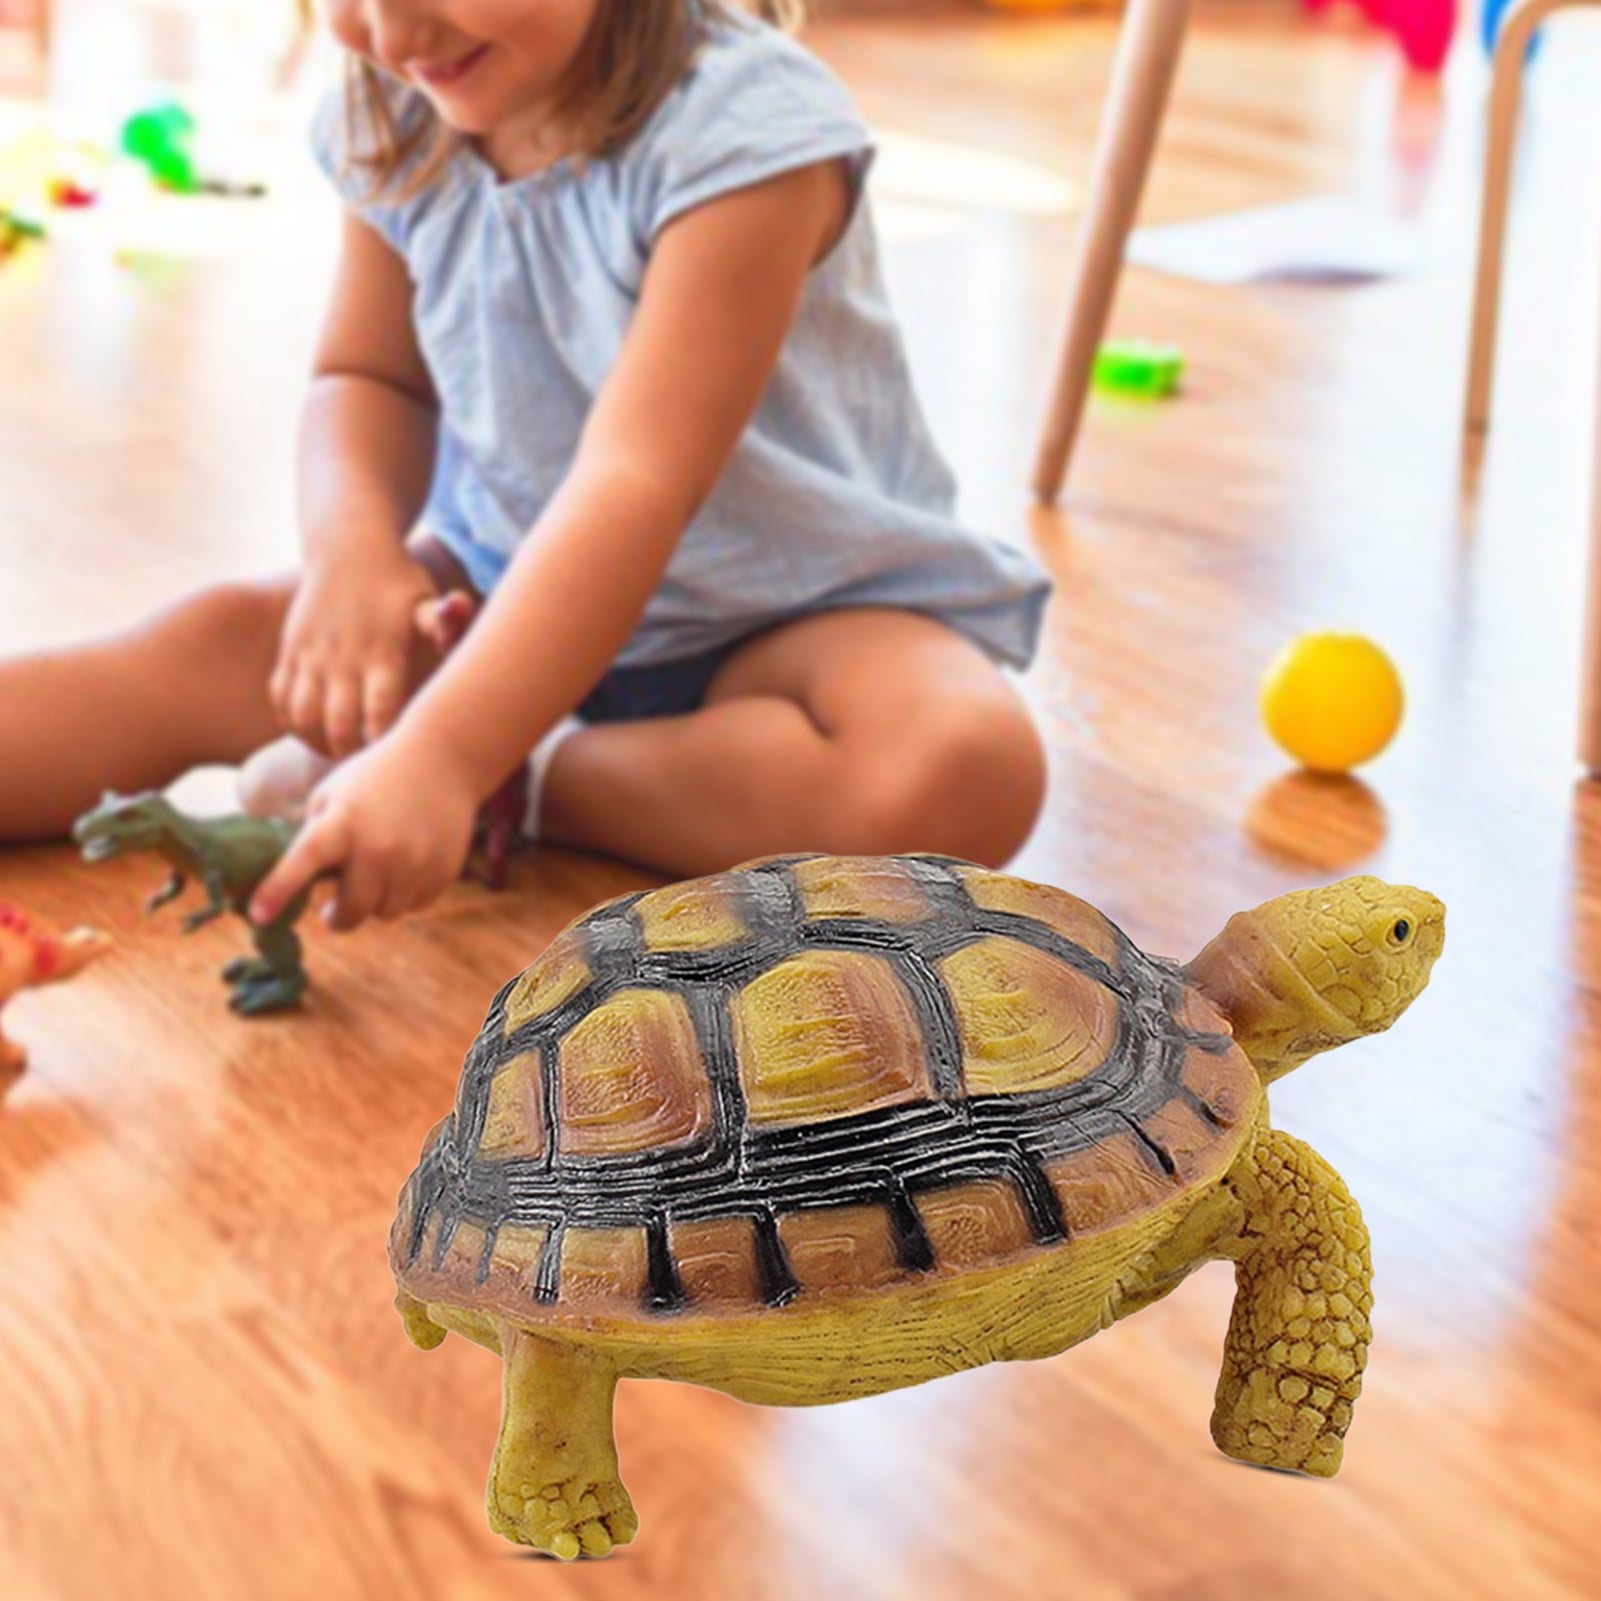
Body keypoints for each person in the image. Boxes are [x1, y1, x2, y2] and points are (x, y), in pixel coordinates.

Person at [0, 0, 1050, 931]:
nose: (391, 32)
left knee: (960, 763)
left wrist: (451, 757)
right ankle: (458, 746)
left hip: (789, 616)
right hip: (494, 594)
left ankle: (531, 782)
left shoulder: (748, 132)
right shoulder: (400, 102)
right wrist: (353, 551)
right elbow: (366, 377)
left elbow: (636, 479)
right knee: (217, 641)